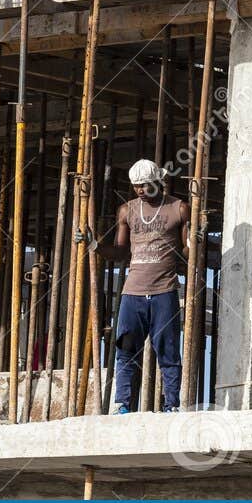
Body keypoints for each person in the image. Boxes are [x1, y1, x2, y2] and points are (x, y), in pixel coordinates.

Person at [103, 159, 190, 414]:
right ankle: (123, 404)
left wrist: (195, 240)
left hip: (165, 291)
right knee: (126, 350)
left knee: (168, 351)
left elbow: (185, 255)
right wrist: (95, 246)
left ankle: (171, 404)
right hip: (133, 294)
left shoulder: (179, 209)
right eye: (136, 186)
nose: (140, 190)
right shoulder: (126, 211)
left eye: (144, 185)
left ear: (157, 182)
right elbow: (120, 252)